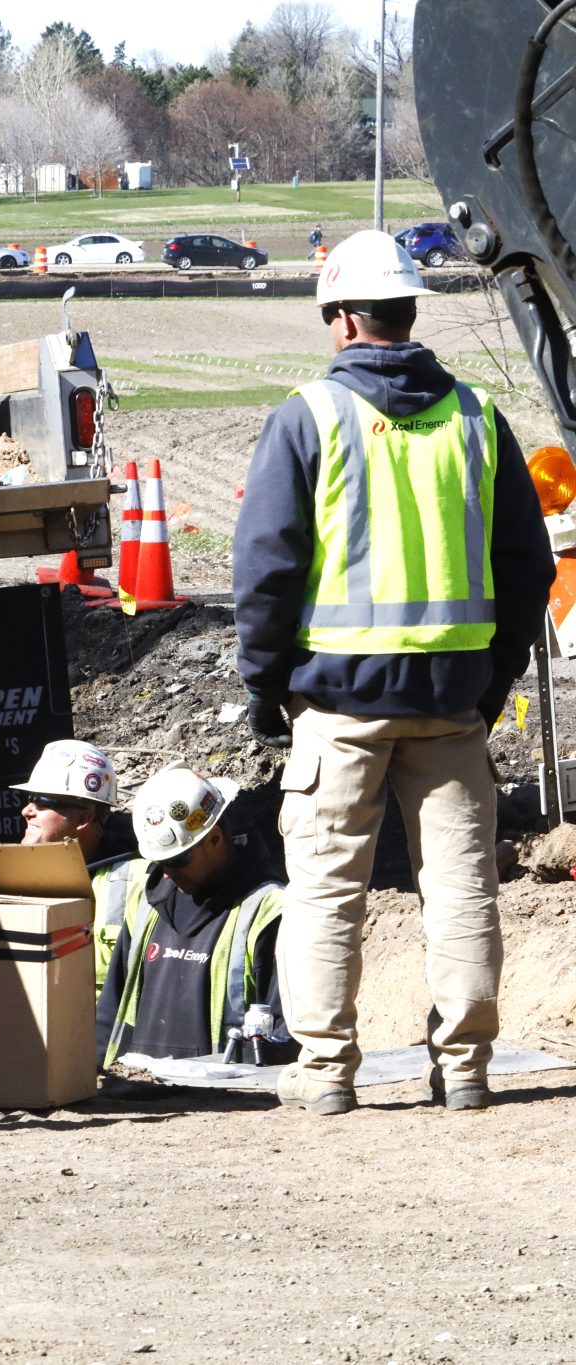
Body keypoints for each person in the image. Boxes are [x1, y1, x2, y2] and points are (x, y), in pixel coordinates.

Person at [233, 229, 555, 1115]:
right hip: (452, 706)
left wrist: (266, 689)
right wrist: (489, 685)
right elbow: (529, 569)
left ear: (340, 319)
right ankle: (465, 1069)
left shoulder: (310, 418)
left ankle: (328, 1072)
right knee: (461, 890)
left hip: (337, 704)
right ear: (410, 311)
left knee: (327, 891)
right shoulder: (479, 418)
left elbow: (266, 568)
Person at [96, 765, 289, 1067]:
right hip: (139, 1091)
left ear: (214, 839)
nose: (168, 873)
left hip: (228, 1100)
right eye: (160, 862)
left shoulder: (268, 909)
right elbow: (111, 1009)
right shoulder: (146, 901)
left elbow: (283, 1033)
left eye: (177, 859)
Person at [12, 738, 146, 992]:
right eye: (30, 799)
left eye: (42, 801)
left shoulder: (137, 879)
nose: (26, 811)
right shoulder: (15, 876)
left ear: (83, 818)